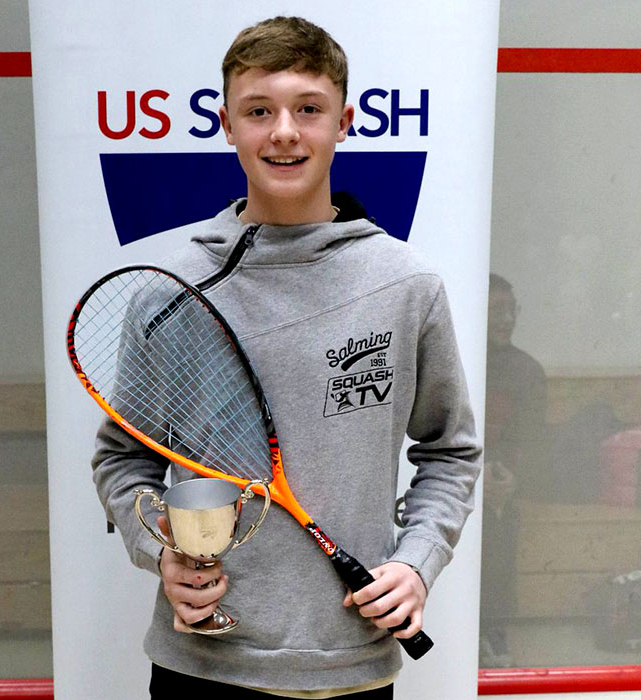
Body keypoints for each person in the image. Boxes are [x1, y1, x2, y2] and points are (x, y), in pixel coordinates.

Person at [92, 16, 481, 698]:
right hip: (203, 670)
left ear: (344, 121)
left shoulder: (406, 283)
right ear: (227, 124)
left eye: (308, 109)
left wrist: (418, 561)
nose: (283, 131)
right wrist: (160, 550)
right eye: (258, 111)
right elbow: (124, 459)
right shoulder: (168, 292)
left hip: (354, 669)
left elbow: (450, 452)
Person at [479, 273, 548, 667]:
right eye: (495, 311)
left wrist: (507, 478)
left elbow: (533, 441)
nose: (506, 319)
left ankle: (493, 626)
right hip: (455, 472)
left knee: (498, 516)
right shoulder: (458, 356)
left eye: (511, 310)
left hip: (504, 480)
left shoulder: (527, 371)